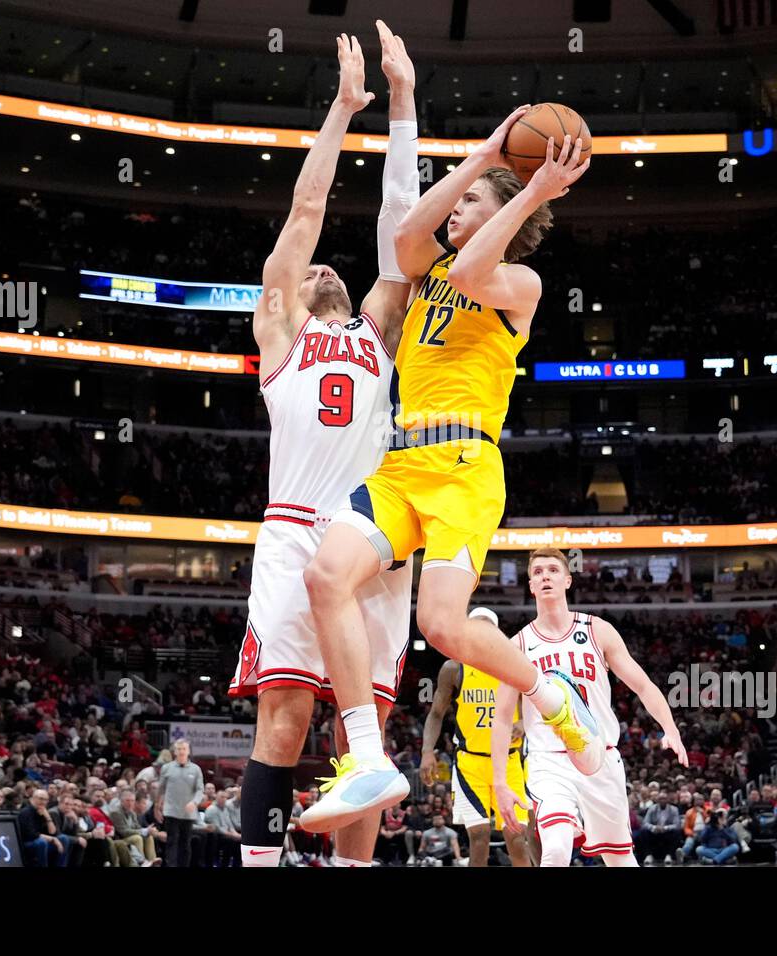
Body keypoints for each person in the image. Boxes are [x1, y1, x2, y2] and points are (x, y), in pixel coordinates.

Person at [302, 79, 598, 834]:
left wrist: (526, 189)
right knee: (325, 573)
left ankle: (548, 693)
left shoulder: (519, 283)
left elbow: (472, 271)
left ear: (498, 216)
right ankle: (367, 756)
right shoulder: (425, 269)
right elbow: (407, 237)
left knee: (441, 627)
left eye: (467, 203)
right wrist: (482, 156)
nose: (453, 206)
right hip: (403, 465)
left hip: (466, 469)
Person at [227, 21, 419, 868]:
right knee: (285, 719)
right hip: (294, 525)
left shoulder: (380, 328)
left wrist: (404, 107)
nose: (320, 268)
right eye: (306, 271)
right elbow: (308, 208)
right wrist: (345, 109)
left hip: (370, 533)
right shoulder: (280, 331)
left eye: (323, 268)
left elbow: (400, 230)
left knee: (362, 742)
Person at [492, 549, 687, 867]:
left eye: (553, 570)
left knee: (620, 860)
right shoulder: (518, 645)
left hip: (601, 757)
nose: (545, 576)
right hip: (548, 760)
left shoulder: (597, 630)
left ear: (567, 580)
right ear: (530, 585)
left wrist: (671, 729)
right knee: (555, 849)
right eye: (538, 572)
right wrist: (500, 782)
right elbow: (501, 719)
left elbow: (643, 685)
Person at [420, 606, 532, 867]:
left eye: (486, 626)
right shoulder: (453, 668)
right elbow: (436, 714)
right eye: (476, 625)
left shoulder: (515, 664)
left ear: (495, 633)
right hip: (470, 764)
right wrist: (427, 751)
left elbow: (538, 704)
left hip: (509, 762)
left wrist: (524, 723)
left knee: (516, 838)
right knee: (479, 838)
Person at [155, 739, 203, 867]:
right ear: (174, 751)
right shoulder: (167, 768)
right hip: (171, 811)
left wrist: (195, 802)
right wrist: (157, 806)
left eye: (184, 749)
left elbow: (200, 790)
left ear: (188, 751)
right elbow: (161, 789)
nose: (181, 751)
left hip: (188, 813)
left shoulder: (196, 769)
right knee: (172, 842)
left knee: (185, 844)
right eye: (179, 749)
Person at [19, 788, 68, 867]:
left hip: (41, 841)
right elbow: (31, 834)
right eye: (41, 799)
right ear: (33, 799)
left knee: (63, 838)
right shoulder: (26, 812)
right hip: (28, 842)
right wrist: (52, 839)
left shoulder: (43, 811)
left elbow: (53, 832)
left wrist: (47, 817)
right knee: (41, 842)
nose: (44, 802)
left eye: (46, 800)